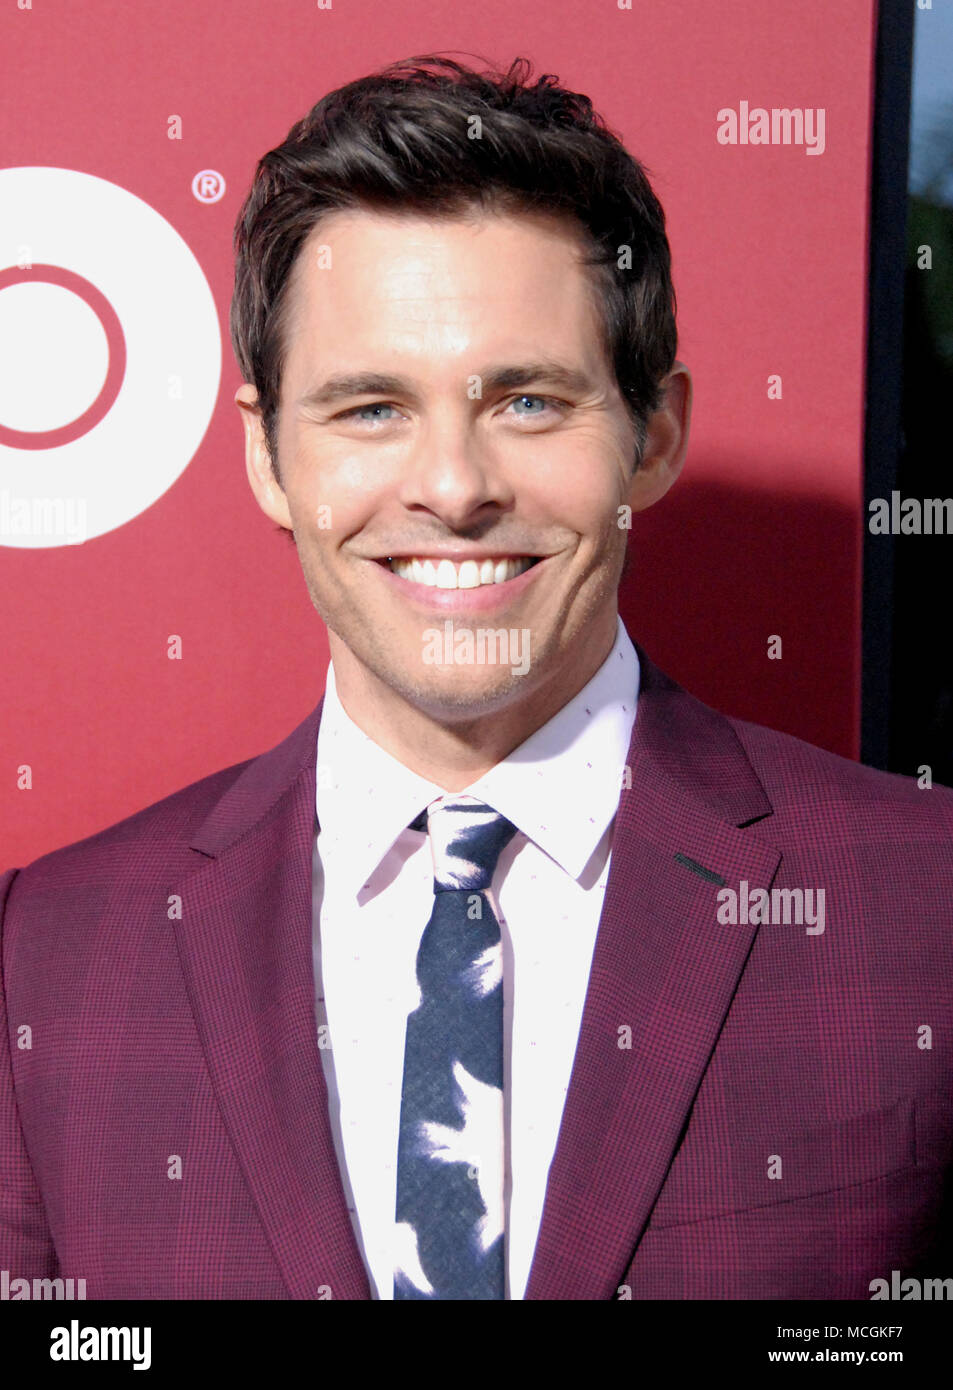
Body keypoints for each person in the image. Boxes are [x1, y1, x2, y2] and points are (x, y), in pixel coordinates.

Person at [2, 54, 951, 1302]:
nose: (453, 488)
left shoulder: (922, 904)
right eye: (369, 409)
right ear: (265, 457)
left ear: (650, 434)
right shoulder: (49, 958)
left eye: (526, 400)